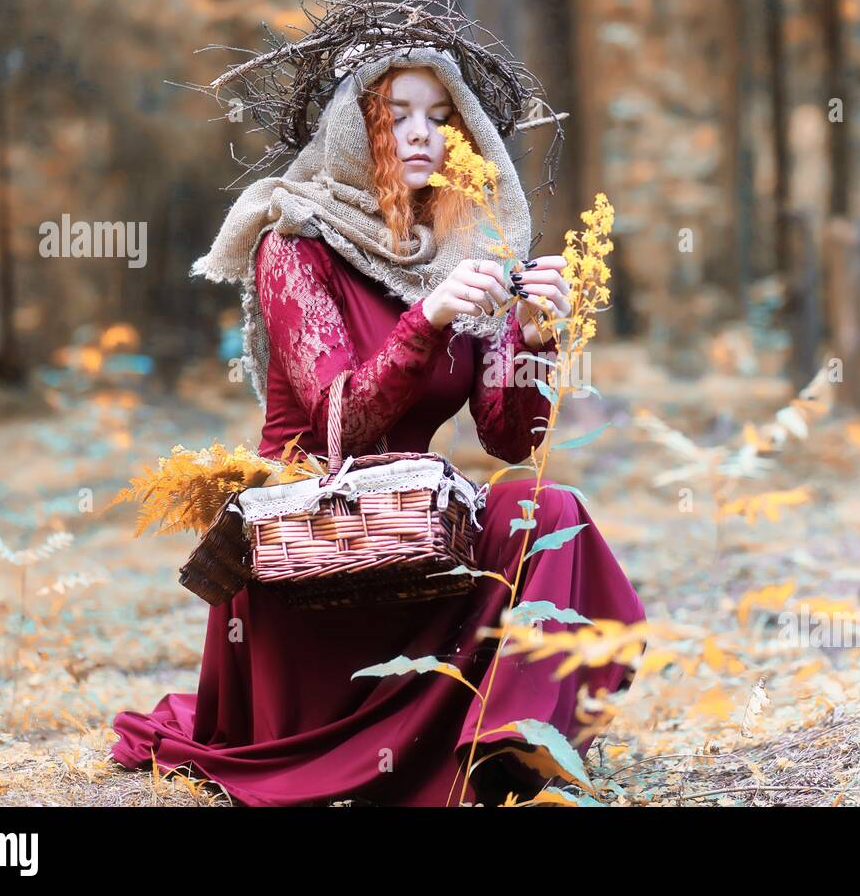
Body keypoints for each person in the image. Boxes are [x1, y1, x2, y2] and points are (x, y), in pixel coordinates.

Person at [108, 45, 646, 806]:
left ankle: (507, 752)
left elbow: (507, 437)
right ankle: (390, 747)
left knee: (544, 508)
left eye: (440, 117)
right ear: (356, 134)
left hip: (416, 531)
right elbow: (338, 420)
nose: (423, 133)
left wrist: (528, 339)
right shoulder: (293, 243)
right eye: (396, 118)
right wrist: (427, 320)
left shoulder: (464, 252)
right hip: (312, 543)